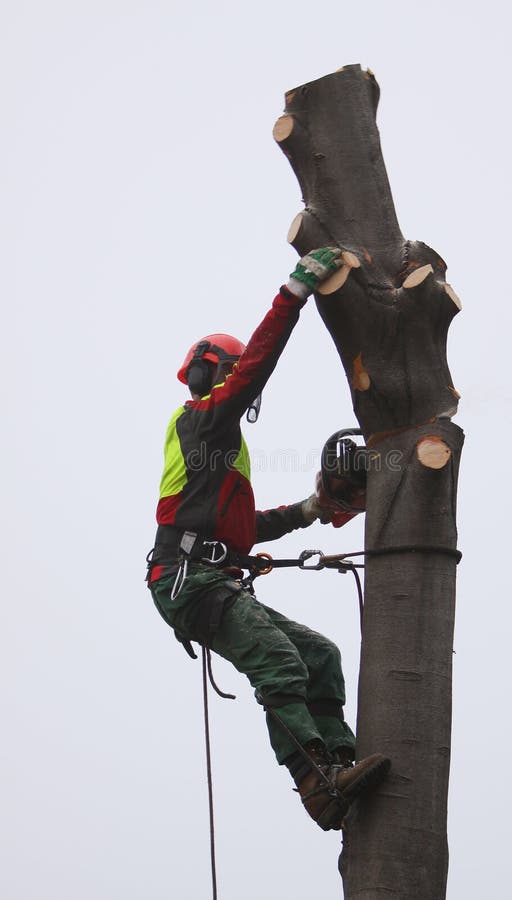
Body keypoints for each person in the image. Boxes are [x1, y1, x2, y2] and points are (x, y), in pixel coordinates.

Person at [146, 248, 390, 830]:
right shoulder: (200, 420)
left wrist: (310, 509)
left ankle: (339, 761)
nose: (236, 382)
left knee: (318, 655)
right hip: (186, 581)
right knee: (279, 660)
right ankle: (317, 784)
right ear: (206, 375)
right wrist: (294, 292)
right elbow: (257, 362)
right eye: (226, 373)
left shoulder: (220, 454)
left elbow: (242, 528)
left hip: (212, 575)